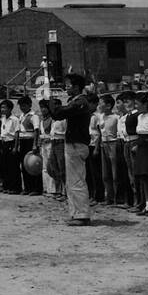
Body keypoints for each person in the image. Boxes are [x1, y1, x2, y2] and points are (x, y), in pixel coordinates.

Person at [47, 74, 96, 226]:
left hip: (77, 144)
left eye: (68, 85)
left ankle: (82, 214)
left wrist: (49, 100)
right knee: (72, 181)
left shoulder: (80, 102)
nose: (66, 88)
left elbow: (58, 113)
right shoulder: (76, 101)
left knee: (77, 180)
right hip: (73, 143)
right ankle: (76, 213)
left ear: (76, 87)